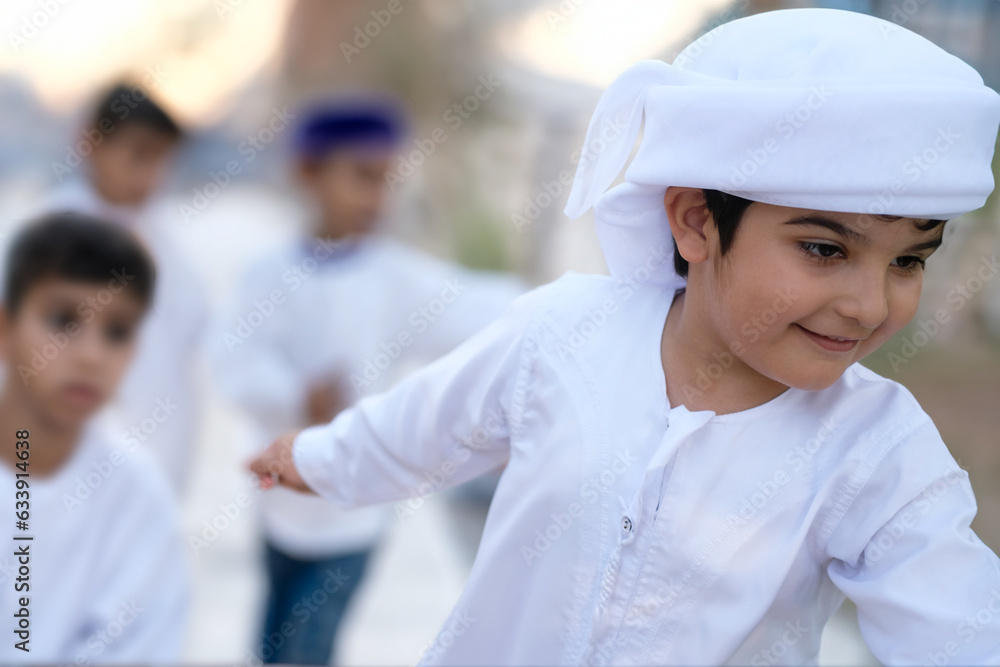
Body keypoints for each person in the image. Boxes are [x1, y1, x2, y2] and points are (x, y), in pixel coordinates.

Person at [250, 9, 1000, 665]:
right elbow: (424, 423)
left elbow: (961, 625)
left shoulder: (878, 451)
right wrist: (314, 456)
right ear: (696, 219)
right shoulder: (568, 334)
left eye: (908, 260)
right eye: (825, 249)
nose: (870, 303)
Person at [210, 100, 525, 665]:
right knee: (272, 641)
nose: (377, 196)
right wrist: (294, 394)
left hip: (354, 507)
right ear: (308, 172)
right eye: (361, 176)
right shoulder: (267, 274)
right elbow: (232, 361)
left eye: (385, 180)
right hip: (277, 494)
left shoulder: (395, 276)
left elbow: (485, 306)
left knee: (305, 650)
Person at [0, 214, 189, 664]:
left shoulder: (139, 500)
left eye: (117, 331)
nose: (91, 355)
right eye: (63, 320)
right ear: (4, 328)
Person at [37, 82, 207, 495]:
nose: (151, 176)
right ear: (90, 142)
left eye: (163, 161)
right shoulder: (50, 237)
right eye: (139, 155)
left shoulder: (158, 237)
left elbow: (196, 329)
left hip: (153, 458)